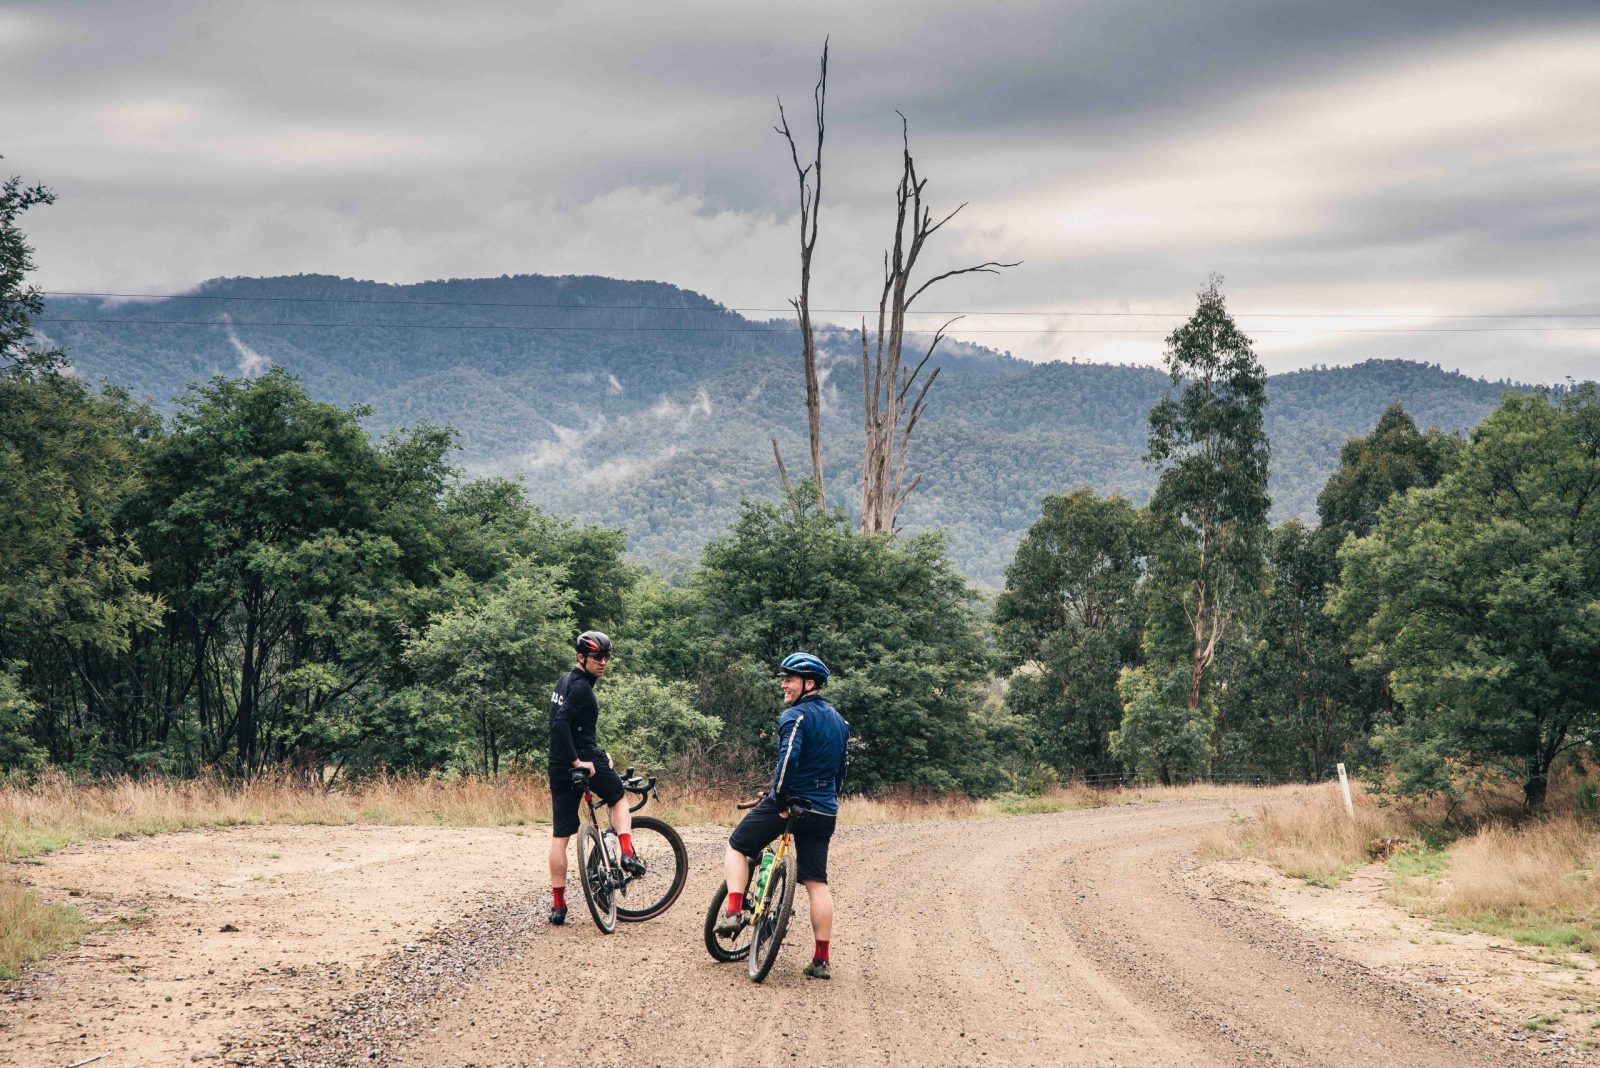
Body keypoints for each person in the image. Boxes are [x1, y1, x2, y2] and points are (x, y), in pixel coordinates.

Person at [716, 652, 850, 979]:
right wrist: (827, 798)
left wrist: (778, 795)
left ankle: (734, 910)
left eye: (789, 678)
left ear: (809, 684)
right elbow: (841, 769)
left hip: (791, 803)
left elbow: (787, 761)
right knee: (817, 882)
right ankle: (821, 960)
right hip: (824, 810)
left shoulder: (796, 716)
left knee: (737, 845)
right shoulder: (841, 723)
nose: (784, 684)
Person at [547, 630, 642, 926]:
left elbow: (569, 725)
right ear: (581, 658)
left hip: (558, 763)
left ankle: (559, 907)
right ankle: (627, 852)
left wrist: (593, 754)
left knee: (560, 836)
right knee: (617, 797)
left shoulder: (564, 681)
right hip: (581, 759)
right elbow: (560, 724)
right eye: (597, 658)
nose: (603, 662)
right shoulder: (583, 689)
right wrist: (582, 761)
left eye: (606, 657)